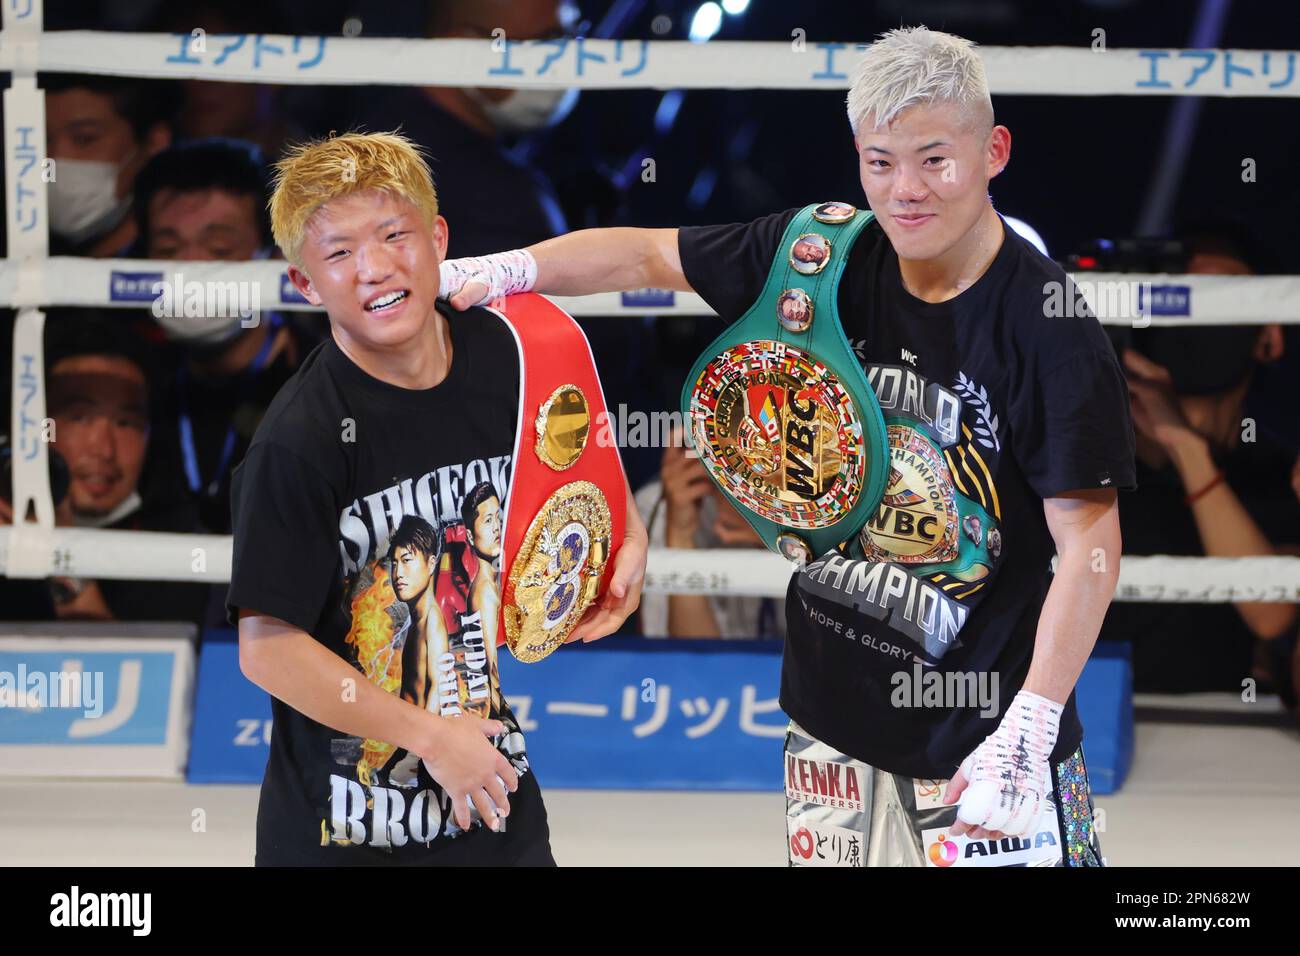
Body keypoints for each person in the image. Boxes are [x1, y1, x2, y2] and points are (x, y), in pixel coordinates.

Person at [441, 27, 1137, 866]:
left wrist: (1033, 720)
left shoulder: (1047, 326)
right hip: (827, 719)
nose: (905, 191)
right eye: (880, 162)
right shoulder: (821, 256)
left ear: (994, 151)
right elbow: (646, 253)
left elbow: (1090, 544)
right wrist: (509, 269)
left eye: (934, 161)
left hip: (987, 731)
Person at [226, 131, 646, 866]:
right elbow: (269, 652)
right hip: (343, 827)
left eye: (395, 235)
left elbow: (582, 462)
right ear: (303, 283)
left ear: (438, 238)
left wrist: (626, 540)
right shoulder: (299, 441)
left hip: (489, 790)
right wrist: (428, 738)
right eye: (340, 253)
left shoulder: (509, 354)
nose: (376, 268)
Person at [1102, 225, 1300, 696]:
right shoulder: (1085, 465)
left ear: (1268, 337)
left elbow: (1273, 613)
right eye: (1182, 288)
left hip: (1226, 755)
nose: (1195, 306)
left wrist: (1187, 449)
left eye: (1219, 291)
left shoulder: (1284, 476)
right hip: (1084, 752)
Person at [133, 138, 311, 532]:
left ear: (276, 258)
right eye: (168, 248)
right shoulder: (130, 381)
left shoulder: (329, 379)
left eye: (217, 248)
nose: (190, 269)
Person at [0, 312, 209, 626]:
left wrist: (62, 561)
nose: (104, 450)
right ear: (36, 423)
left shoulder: (181, 545)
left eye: (126, 423)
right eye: (79, 418)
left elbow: (137, 671)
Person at [635, 432, 785, 639]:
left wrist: (782, 540)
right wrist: (680, 537)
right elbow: (689, 664)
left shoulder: (827, 505)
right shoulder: (662, 504)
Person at [43, 74, 176, 257]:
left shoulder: (174, 254)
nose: (56, 158)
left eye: (84, 138)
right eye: (43, 139)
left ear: (154, 142)